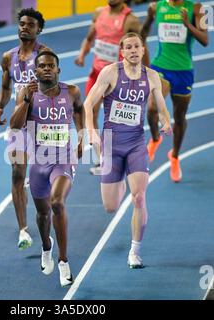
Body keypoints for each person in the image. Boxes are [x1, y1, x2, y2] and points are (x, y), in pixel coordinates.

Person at [84, 32, 172, 268]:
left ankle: (135, 251)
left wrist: (166, 120)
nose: (133, 51)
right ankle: (120, 180)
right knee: (110, 207)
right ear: (122, 51)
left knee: (139, 197)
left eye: (137, 47)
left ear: (143, 50)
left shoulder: (151, 76)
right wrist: (90, 131)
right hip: (111, 143)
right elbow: (88, 103)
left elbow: (162, 106)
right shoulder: (111, 72)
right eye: (128, 47)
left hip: (135, 142)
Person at [10, 51, 84, 286]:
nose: (47, 69)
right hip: (39, 162)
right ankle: (46, 247)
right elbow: (15, 125)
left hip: (63, 159)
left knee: (57, 203)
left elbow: (81, 110)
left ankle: (64, 262)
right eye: (42, 66)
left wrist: (81, 136)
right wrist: (26, 101)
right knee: (43, 215)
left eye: (51, 65)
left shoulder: (71, 91)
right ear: (36, 71)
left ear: (58, 70)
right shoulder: (27, 93)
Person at [0, 8, 48, 250]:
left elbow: (56, 89)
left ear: (39, 30)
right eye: (22, 23)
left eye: (31, 25)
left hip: (43, 124)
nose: (25, 27)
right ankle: (23, 231)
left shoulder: (45, 56)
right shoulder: (8, 57)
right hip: (19, 126)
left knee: (42, 179)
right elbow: (6, 86)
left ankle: (46, 219)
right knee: (17, 173)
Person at [75, 0, 147, 175]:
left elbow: (141, 48)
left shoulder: (130, 20)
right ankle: (103, 159)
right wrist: (82, 54)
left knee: (120, 121)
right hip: (97, 74)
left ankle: (125, 157)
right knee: (89, 114)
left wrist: (145, 75)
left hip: (118, 78)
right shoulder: (99, 13)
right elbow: (90, 37)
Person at [141, 0, 208, 182]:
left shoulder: (197, 9)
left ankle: (175, 156)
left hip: (183, 70)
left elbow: (205, 40)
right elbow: (142, 35)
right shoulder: (157, 7)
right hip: (161, 65)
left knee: (179, 117)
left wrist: (187, 24)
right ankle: (155, 139)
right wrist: (148, 18)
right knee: (152, 108)